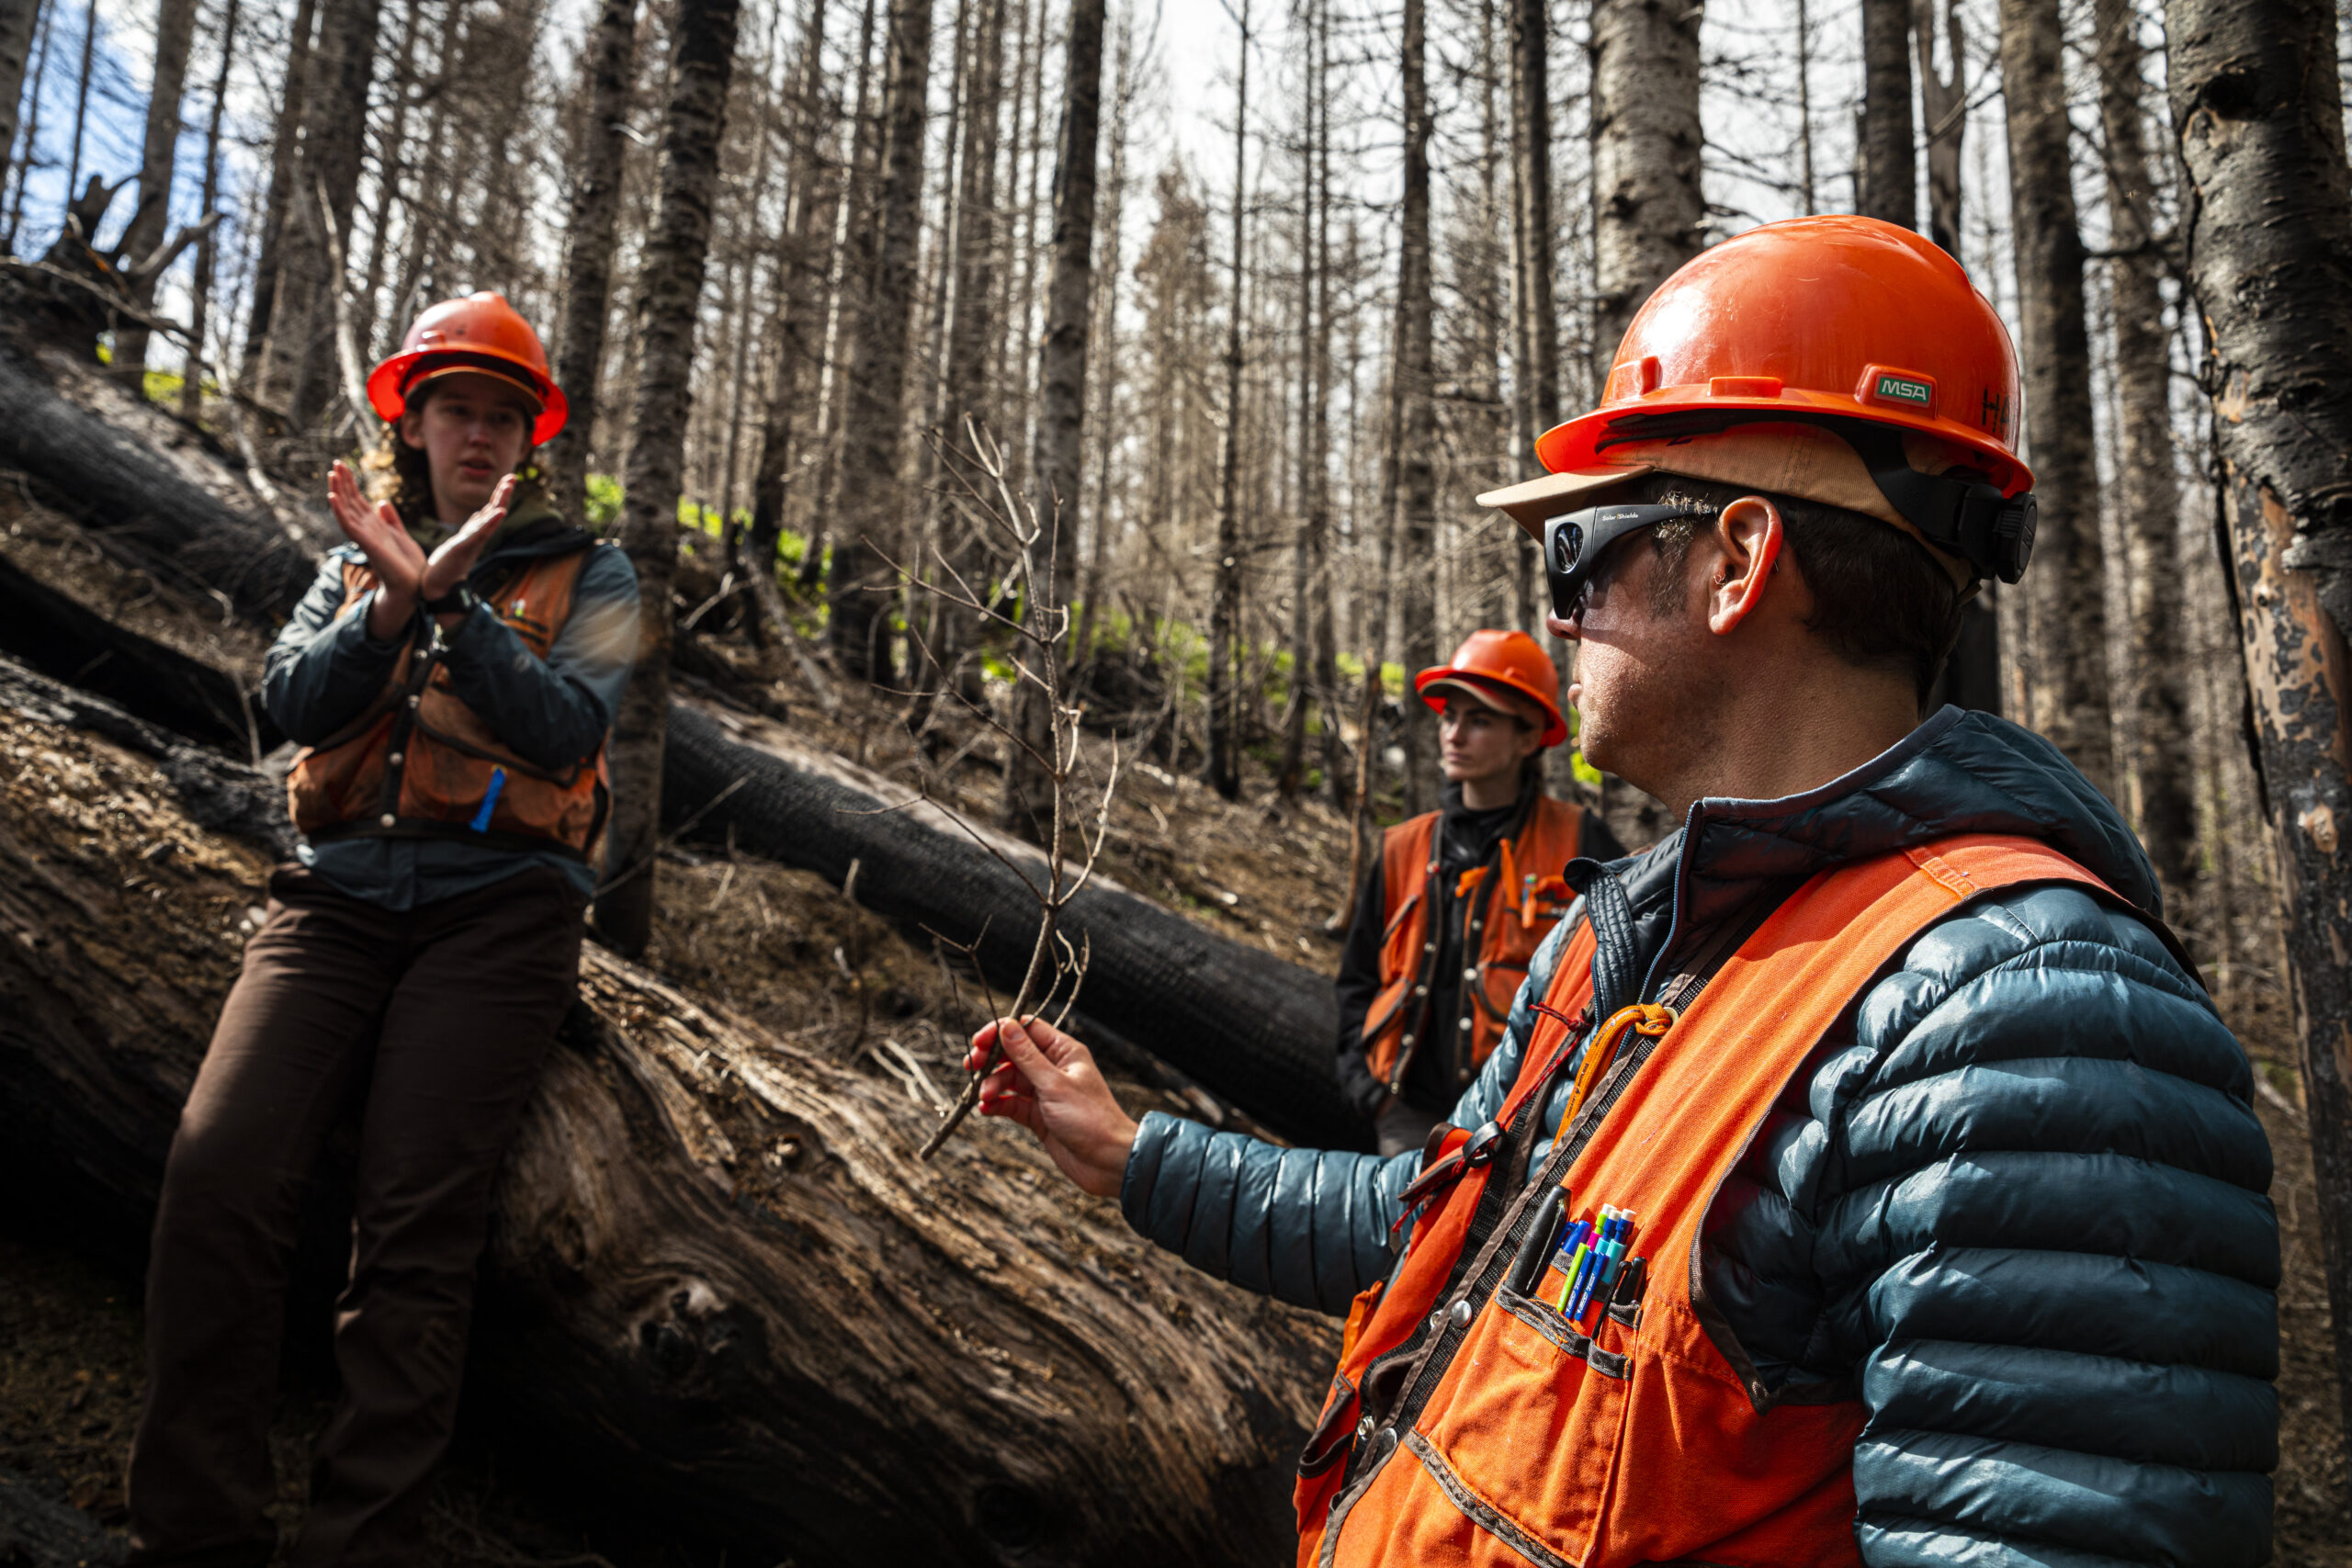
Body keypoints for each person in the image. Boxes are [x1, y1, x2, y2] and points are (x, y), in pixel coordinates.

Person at [962, 217, 2277, 1566]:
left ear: (1737, 561)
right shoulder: (1640, 944)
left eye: (1580, 551)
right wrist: (1134, 1152)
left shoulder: (2033, 1015)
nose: (1564, 612)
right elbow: (1427, 1221)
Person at [126, 292, 641, 1568]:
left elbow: (573, 731)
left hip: (502, 916)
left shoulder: (600, 571)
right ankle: (194, 1532)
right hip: (334, 897)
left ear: (531, 438)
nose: (478, 432)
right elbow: (292, 693)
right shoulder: (356, 554)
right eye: (455, 408)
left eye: (503, 415)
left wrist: (459, 606)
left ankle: (366, 1543)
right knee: (216, 1167)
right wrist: (394, 599)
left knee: (416, 1224)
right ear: (412, 425)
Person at [1335, 629, 1623, 1156]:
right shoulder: (1403, 848)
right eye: (1450, 717)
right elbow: (1356, 980)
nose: (1455, 734)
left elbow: (1620, 984)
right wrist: (1367, 1088)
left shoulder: (1580, 843)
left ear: (1528, 735)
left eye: (1480, 719)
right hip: (1409, 1119)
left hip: (1522, 1127)